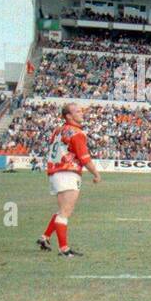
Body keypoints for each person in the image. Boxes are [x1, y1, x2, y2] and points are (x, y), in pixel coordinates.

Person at [38, 101, 101, 258]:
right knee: (65, 212)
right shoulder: (76, 133)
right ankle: (64, 249)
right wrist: (96, 174)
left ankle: (45, 237)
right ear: (68, 116)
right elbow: (84, 158)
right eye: (77, 111)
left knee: (62, 210)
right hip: (67, 171)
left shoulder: (59, 130)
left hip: (55, 172)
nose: (81, 113)